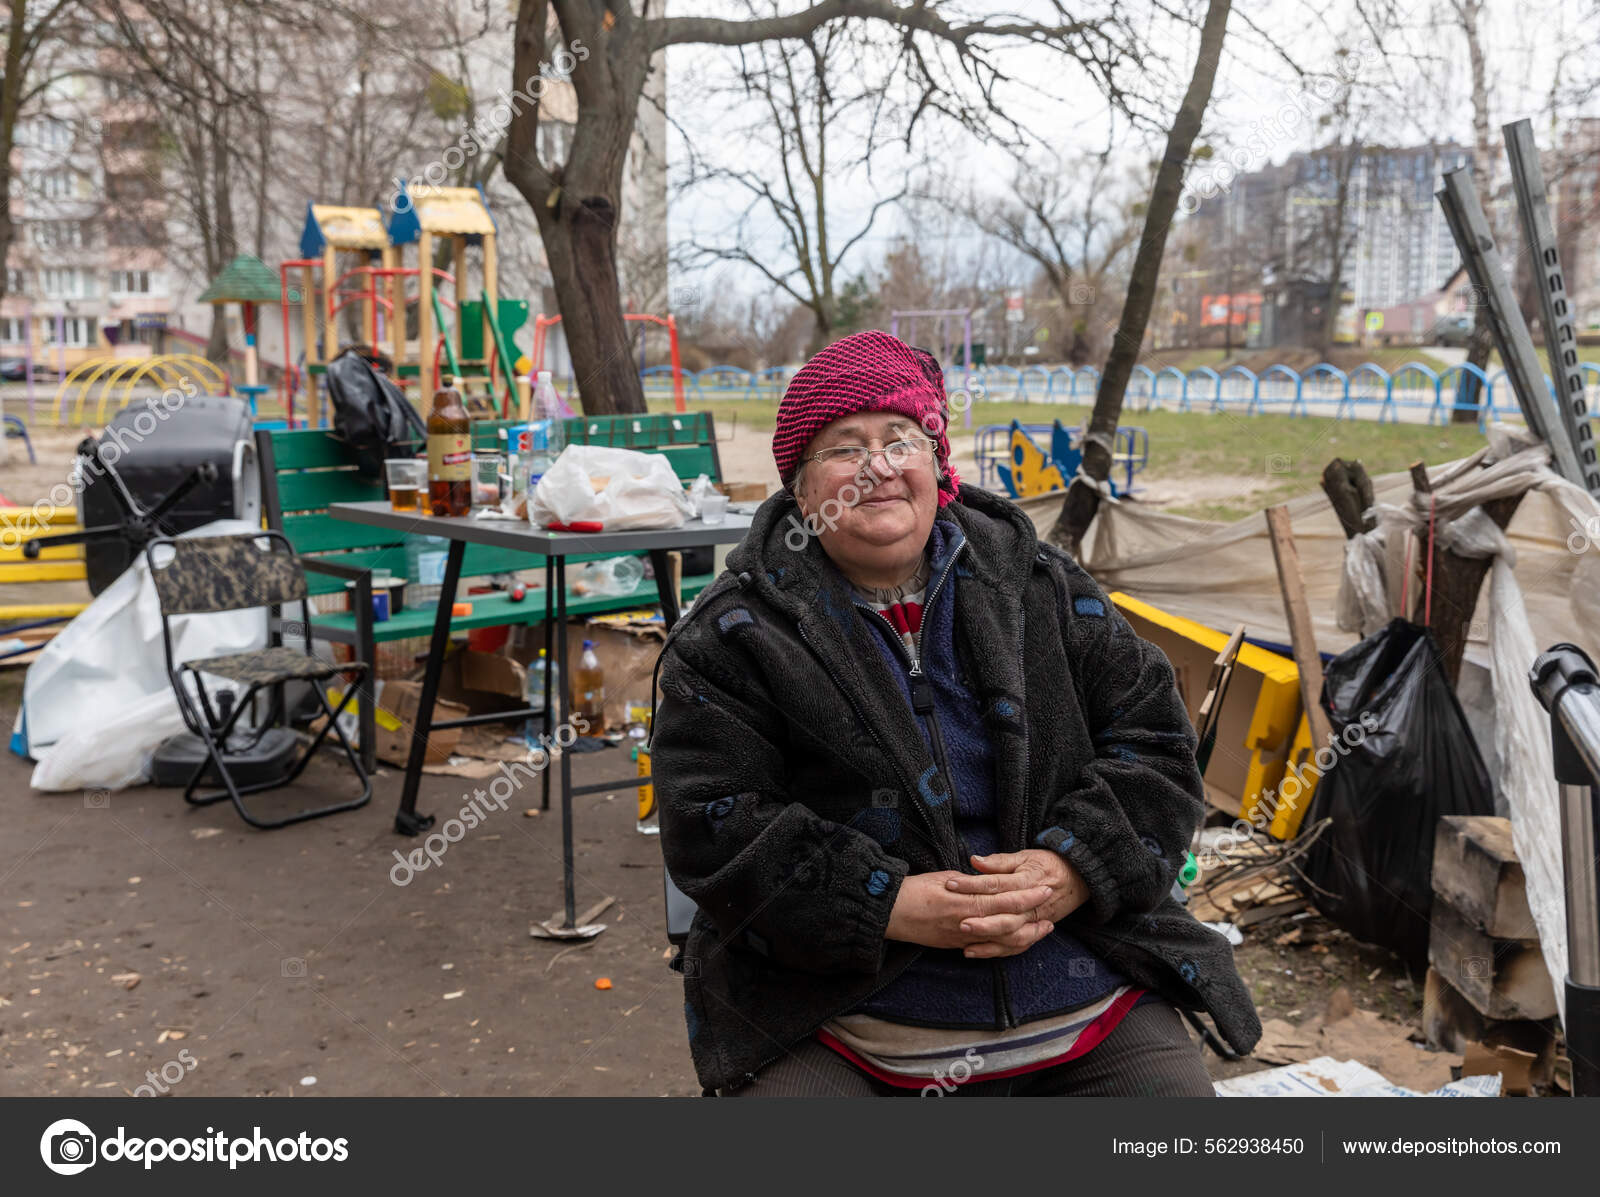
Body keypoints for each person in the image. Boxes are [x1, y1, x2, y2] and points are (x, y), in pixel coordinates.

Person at [653, 330, 1260, 1096]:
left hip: (1077, 972)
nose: (878, 466)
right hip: (842, 1005)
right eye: (844, 448)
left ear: (937, 464)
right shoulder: (734, 633)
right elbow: (711, 822)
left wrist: (1074, 866)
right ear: (802, 490)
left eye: (900, 438)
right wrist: (884, 903)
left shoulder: (1037, 584)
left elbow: (1157, 740)